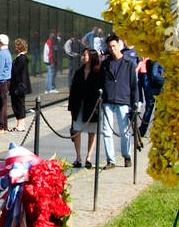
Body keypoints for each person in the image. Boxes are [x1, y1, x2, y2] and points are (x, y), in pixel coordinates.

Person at [100, 35, 141, 168]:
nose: (112, 49)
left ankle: (126, 155)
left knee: (124, 130)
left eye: (114, 46)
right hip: (108, 100)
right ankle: (110, 159)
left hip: (123, 99)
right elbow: (101, 82)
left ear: (119, 45)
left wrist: (135, 103)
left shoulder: (129, 63)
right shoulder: (105, 64)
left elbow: (134, 85)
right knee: (106, 130)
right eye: (110, 47)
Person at [67, 46, 103, 167]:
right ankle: (78, 157)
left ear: (91, 57)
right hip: (79, 105)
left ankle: (89, 157)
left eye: (86, 55)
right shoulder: (79, 71)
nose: (83, 57)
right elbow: (73, 89)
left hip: (92, 106)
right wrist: (71, 106)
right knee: (76, 130)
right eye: (83, 55)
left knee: (91, 131)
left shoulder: (98, 72)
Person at [10, 37, 32, 132]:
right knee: (19, 104)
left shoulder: (21, 58)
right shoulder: (22, 58)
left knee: (18, 105)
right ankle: (20, 124)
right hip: (20, 86)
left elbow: (15, 71)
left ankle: (20, 125)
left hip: (18, 86)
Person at [141, 57, 164, 137]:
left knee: (149, 109)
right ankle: (155, 131)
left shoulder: (150, 60)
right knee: (155, 110)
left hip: (151, 87)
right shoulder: (157, 60)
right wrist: (164, 80)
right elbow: (154, 74)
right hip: (157, 88)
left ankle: (143, 130)